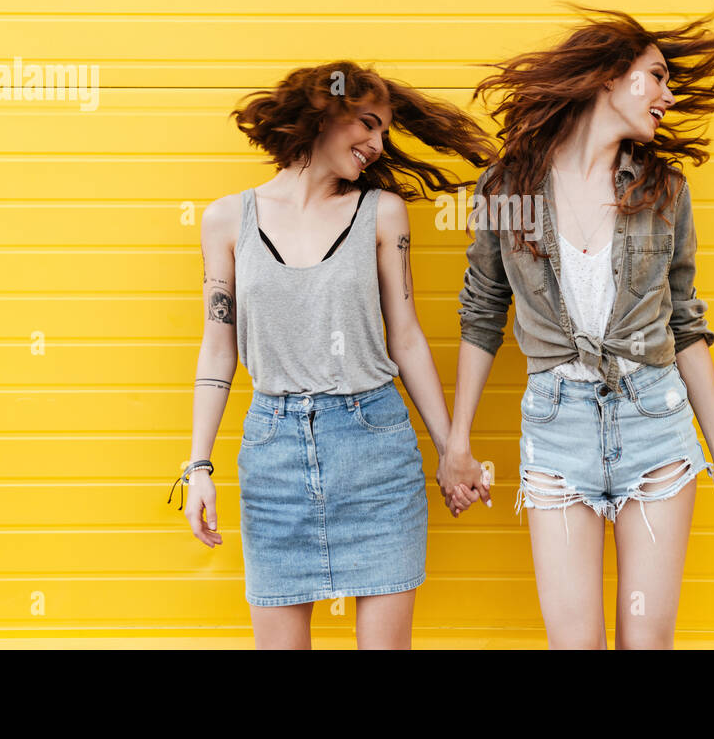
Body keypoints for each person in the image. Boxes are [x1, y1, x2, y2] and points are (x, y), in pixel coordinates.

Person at [442, 5, 714, 648]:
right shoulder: (507, 188)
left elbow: (685, 325)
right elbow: (483, 311)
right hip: (557, 427)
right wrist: (458, 439)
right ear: (609, 79)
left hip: (655, 423)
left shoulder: (663, 190)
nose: (668, 97)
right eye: (656, 77)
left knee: (645, 643)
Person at [171, 61, 493, 649]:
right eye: (367, 124)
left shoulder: (382, 213)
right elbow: (217, 350)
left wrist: (453, 451)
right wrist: (198, 467)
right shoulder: (225, 220)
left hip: (376, 450)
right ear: (325, 112)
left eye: (385, 134)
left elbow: (407, 338)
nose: (376, 145)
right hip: (272, 458)